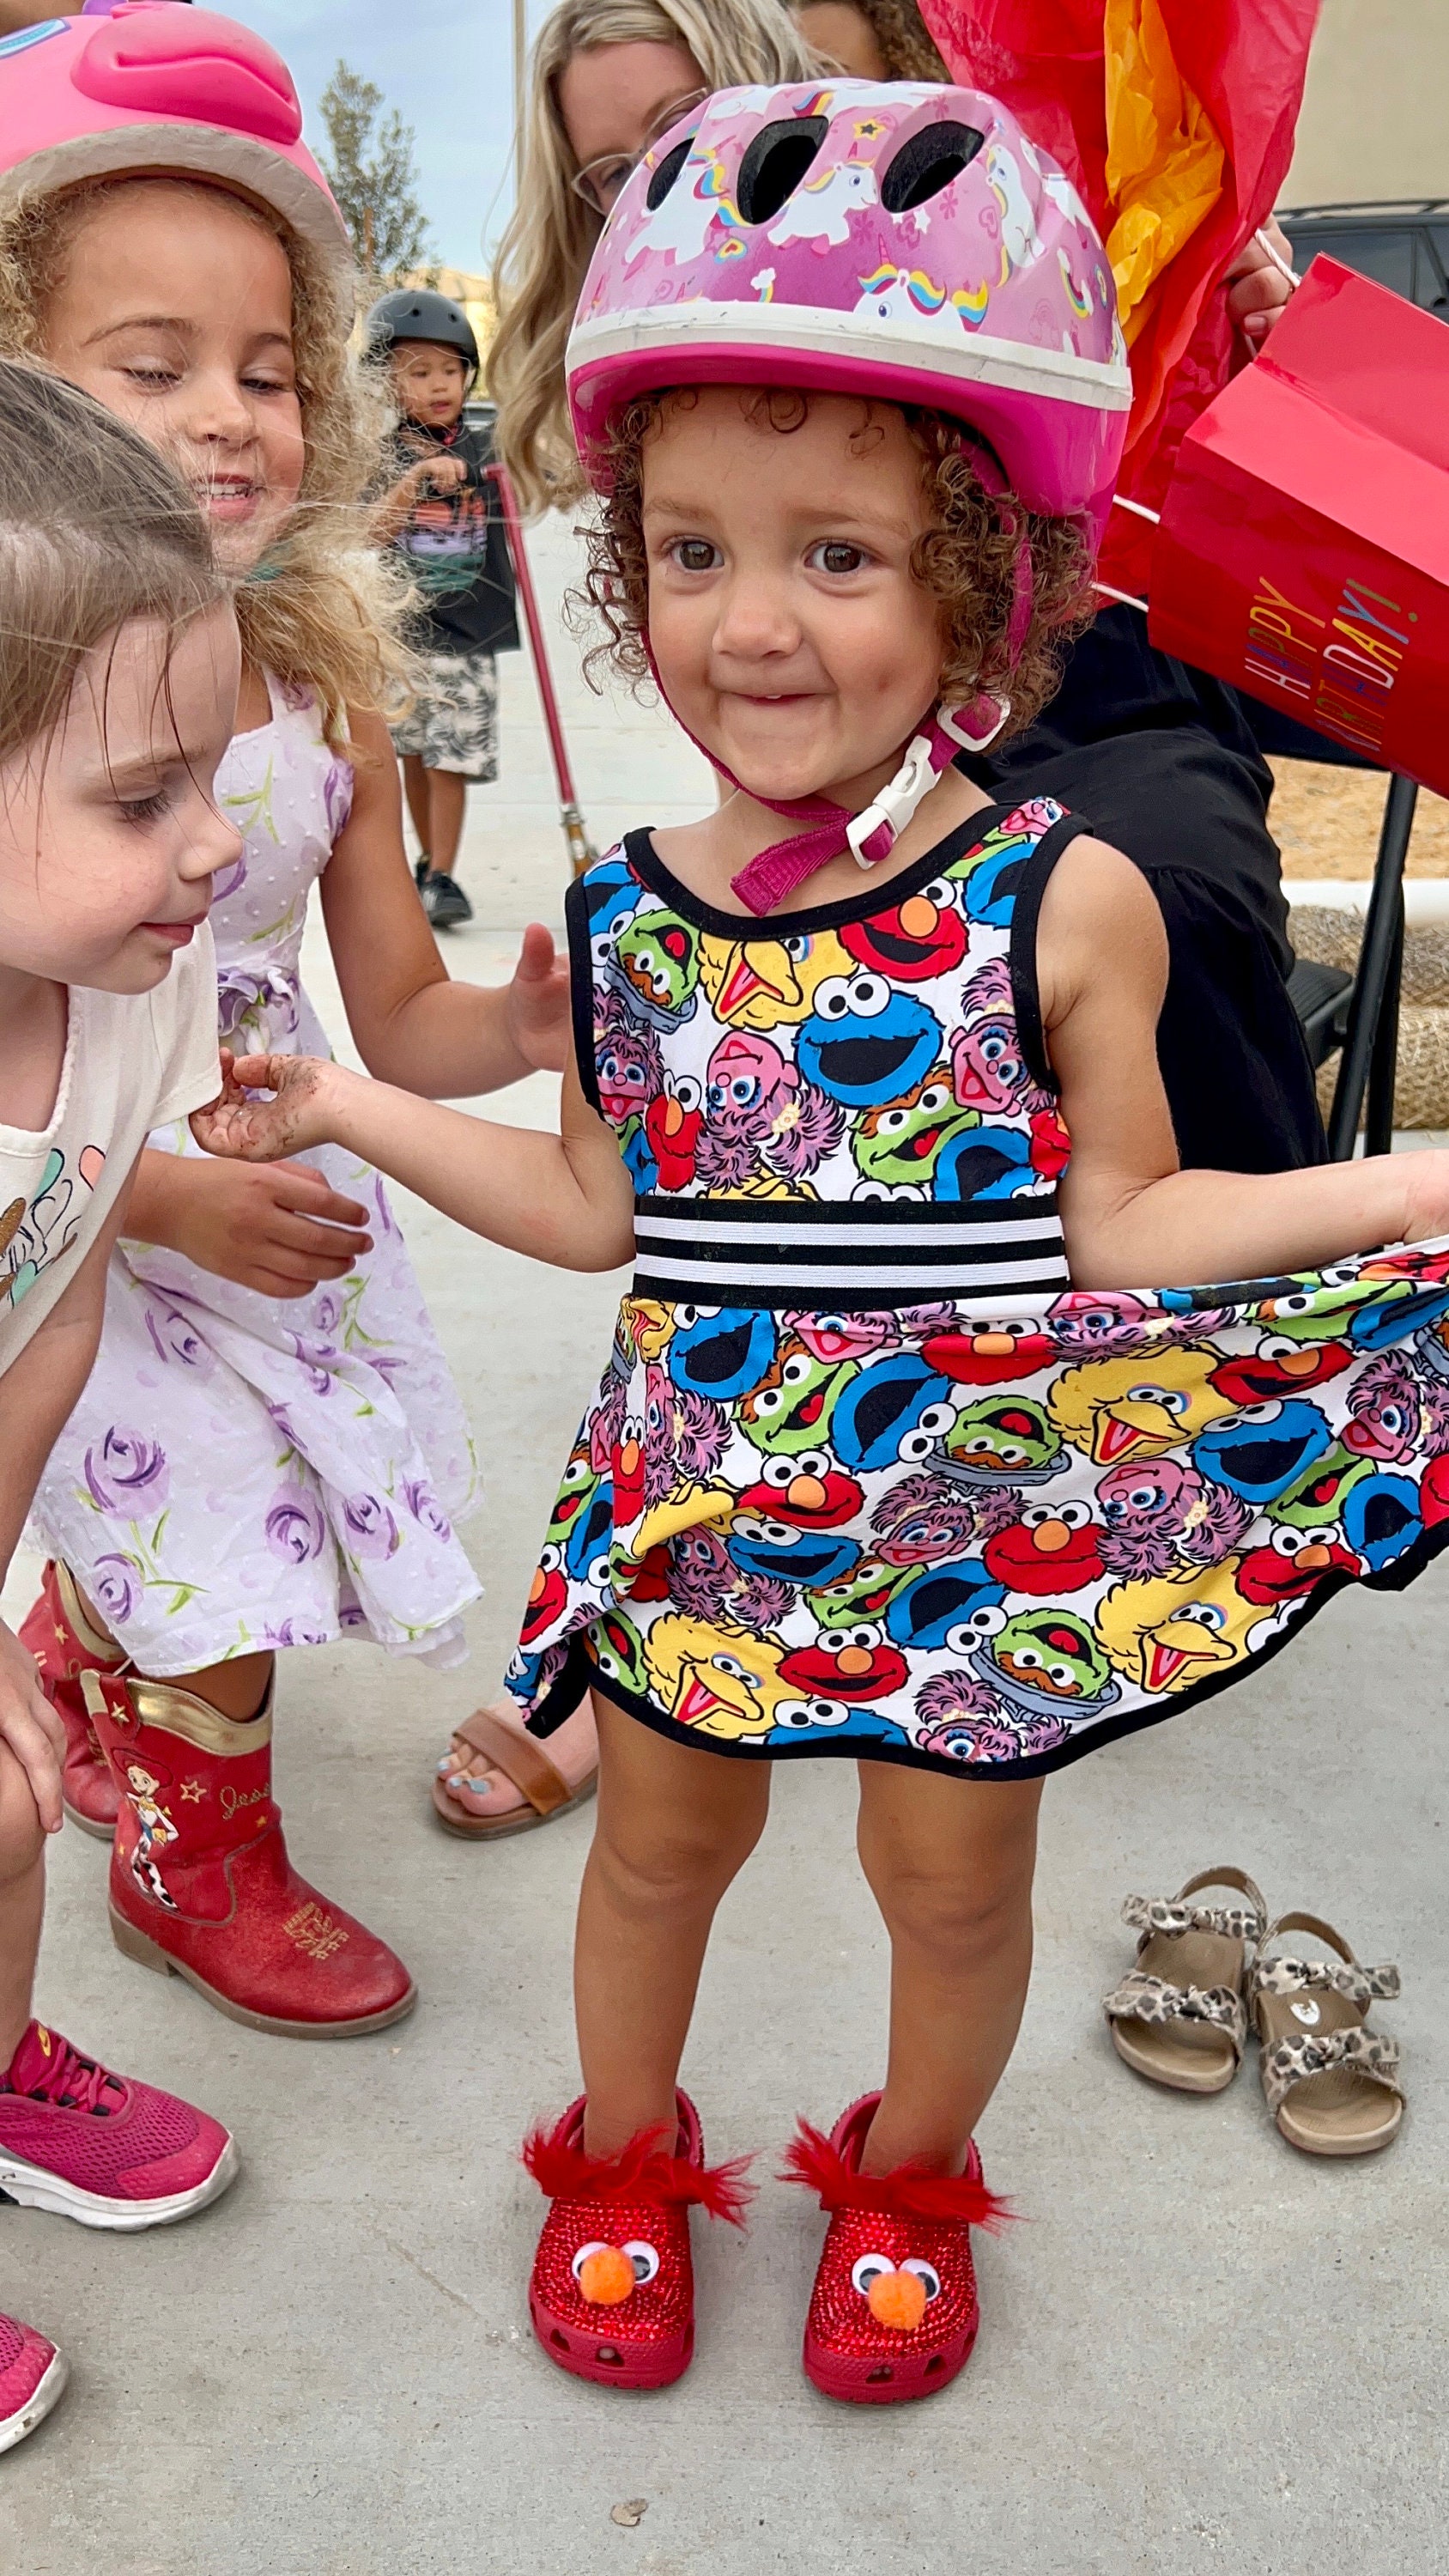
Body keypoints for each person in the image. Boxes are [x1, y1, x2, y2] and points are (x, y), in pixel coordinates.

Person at [194, 84, 1445, 2402]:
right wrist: (360, 1101)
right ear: (627, 564)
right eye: (690, 553)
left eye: (837, 557)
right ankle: (628, 2160)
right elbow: (590, 1210)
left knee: (952, 1886)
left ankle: (908, 2183)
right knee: (657, 1858)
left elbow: (1142, 1218)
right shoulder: (622, 919)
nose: (751, 626)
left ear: (981, 574)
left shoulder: (1060, 899)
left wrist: (1403, 1186)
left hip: (983, 1522)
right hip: (703, 1510)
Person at [0, 3, 587, 2033]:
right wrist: (149, 1199)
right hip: (98, 1212)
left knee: (226, 1527)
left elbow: (395, 1009)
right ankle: (197, 1860)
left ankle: (93, 1657)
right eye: (146, 369)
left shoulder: (318, 678)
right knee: (231, 1570)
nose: (229, 413)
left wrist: (510, 1027)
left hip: (279, 1194)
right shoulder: (19, 691)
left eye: (265, 368)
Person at [494, 2, 1324, 1177]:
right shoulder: (674, 401)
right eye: (610, 176)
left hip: (1110, 699)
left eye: (678, 131)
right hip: (854, 757)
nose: (651, 190)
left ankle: (1250, 1307)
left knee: (1147, 897)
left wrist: (1243, 369)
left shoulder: (990, 205)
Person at [0, 361, 241, 2453]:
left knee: (3, 1818)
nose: (216, 842)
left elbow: (49, 1320)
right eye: (142, 798)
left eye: (214, 773)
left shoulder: (128, 997)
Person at [367, 288, 520, 933]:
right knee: (412, 754)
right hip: (403, 635)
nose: (439, 385)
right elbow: (368, 534)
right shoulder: (379, 457)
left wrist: (495, 471)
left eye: (450, 371)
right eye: (419, 372)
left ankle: (442, 874)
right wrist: (410, 482)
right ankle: (424, 863)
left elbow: (536, 472)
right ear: (388, 383)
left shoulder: (487, 447)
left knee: (449, 757)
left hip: (468, 633)